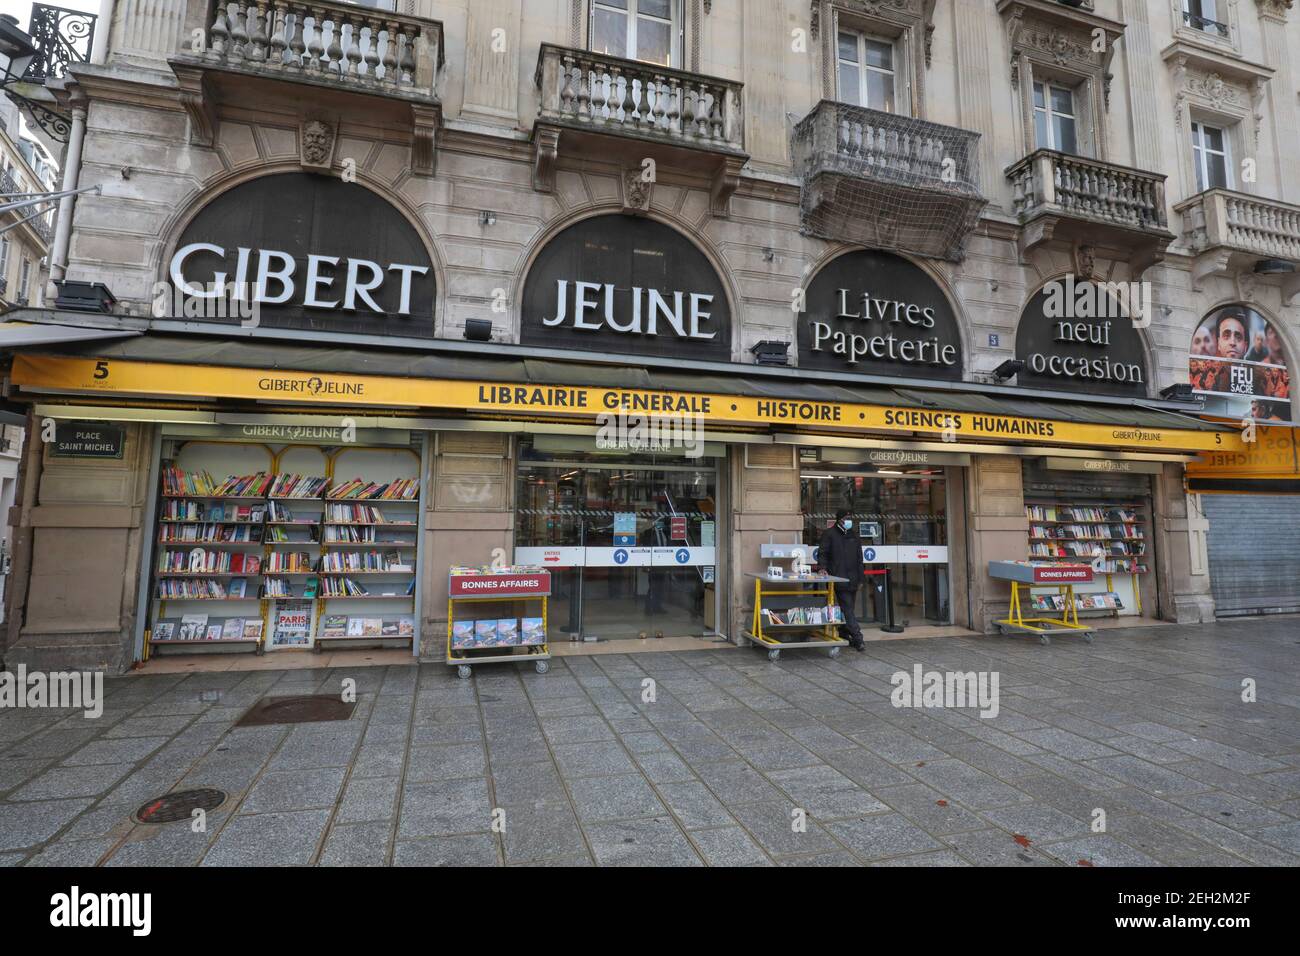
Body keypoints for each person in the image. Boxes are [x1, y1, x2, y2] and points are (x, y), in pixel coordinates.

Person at [817, 509, 866, 651]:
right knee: (848, 609)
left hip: (853, 579)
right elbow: (823, 553)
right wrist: (822, 567)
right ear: (839, 519)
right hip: (838, 577)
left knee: (848, 608)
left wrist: (861, 578)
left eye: (850, 517)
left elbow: (859, 558)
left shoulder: (854, 536)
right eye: (846, 517)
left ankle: (844, 633)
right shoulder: (829, 534)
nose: (849, 520)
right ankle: (858, 638)